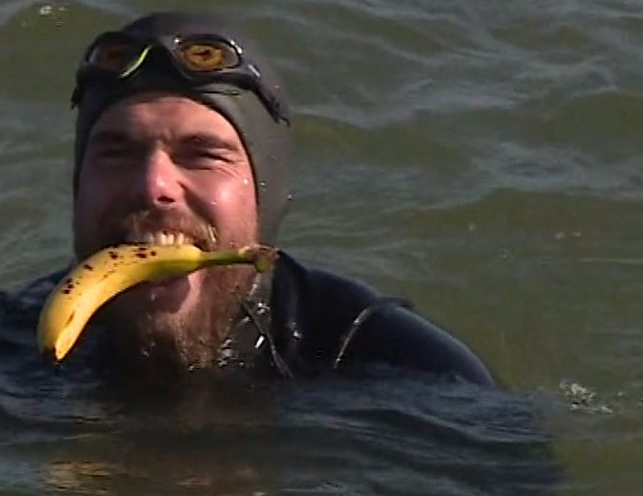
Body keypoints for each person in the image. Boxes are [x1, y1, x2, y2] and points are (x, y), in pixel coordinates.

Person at [54, 11, 495, 386]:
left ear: (267, 194)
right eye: (116, 153)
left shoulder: (402, 372)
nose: (153, 185)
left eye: (201, 154)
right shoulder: (0, 349)